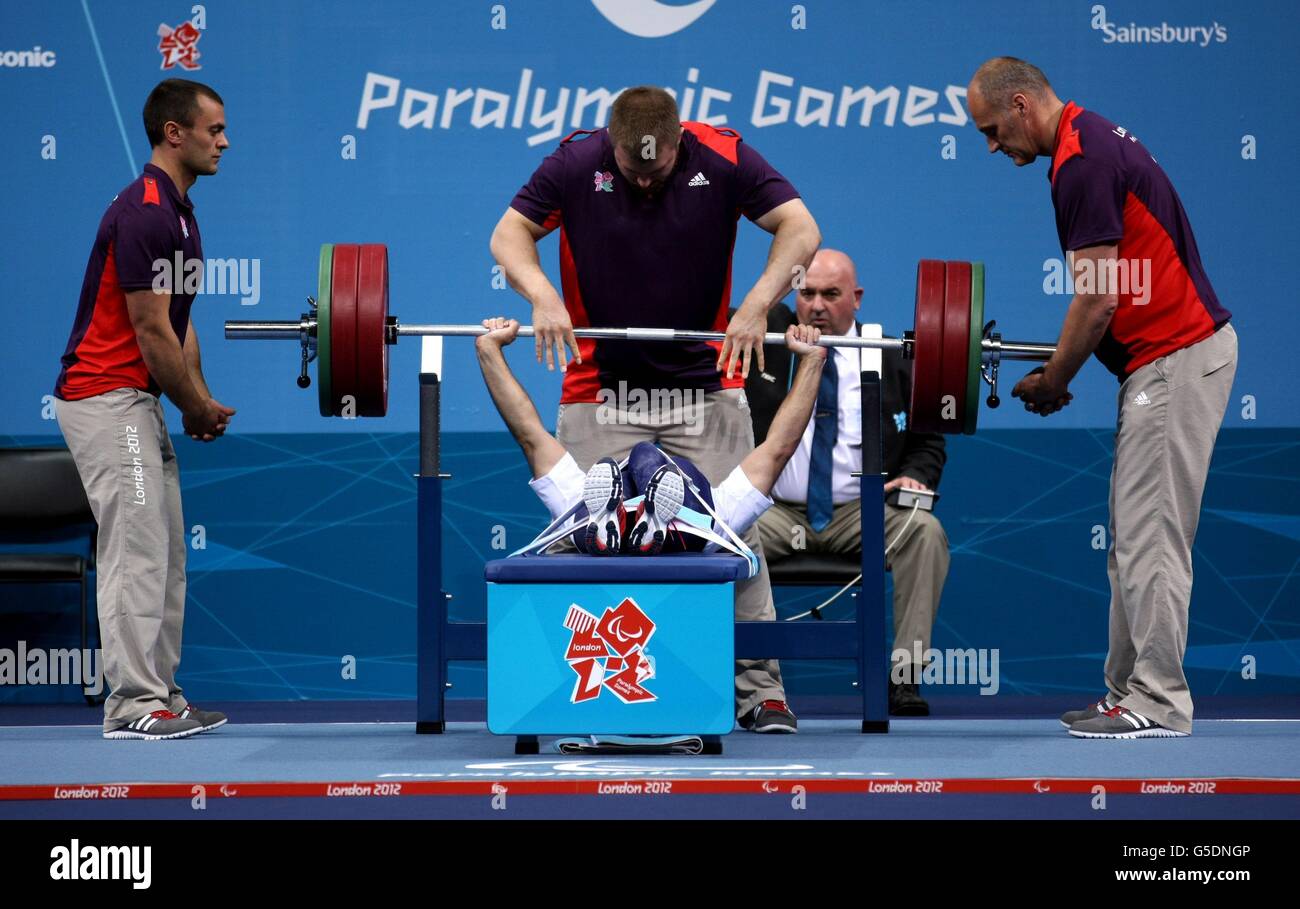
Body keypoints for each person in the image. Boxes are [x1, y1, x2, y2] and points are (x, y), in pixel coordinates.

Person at [489, 84, 821, 733]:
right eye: (631, 170)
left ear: (678, 143)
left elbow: (801, 227)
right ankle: (567, 688)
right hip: (601, 387)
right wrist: (541, 295)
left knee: (736, 534)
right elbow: (508, 235)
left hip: (706, 381)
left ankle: (760, 690)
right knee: (579, 534)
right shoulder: (574, 161)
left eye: (657, 169)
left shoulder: (723, 155)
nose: (644, 183)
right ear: (613, 143)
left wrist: (755, 304)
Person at [967, 57, 1238, 738]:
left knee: (1151, 538)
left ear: (1022, 104)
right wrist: (1063, 367)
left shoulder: (1081, 162)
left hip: (1175, 357)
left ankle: (1158, 700)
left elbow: (1096, 298)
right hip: (1160, 361)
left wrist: (1055, 379)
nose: (994, 147)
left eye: (994, 130)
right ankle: (1128, 693)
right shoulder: (1087, 141)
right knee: (1132, 539)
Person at [474, 317, 829, 732]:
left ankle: (622, 526)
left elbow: (529, 433)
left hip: (603, 520)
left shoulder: (577, 506)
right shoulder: (719, 519)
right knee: (711, 510)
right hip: (693, 525)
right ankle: (663, 523)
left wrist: (489, 351)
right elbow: (779, 447)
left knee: (586, 494)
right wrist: (812, 361)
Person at [54, 79, 235, 740]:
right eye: (213, 129)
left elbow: (180, 326)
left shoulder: (181, 214)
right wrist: (192, 403)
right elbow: (149, 330)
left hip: (138, 400)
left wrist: (199, 399)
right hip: (105, 397)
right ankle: (132, 703)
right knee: (136, 545)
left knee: (163, 550)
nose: (225, 141)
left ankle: (161, 693)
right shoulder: (147, 210)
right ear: (173, 133)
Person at [755, 250, 949, 716]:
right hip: (774, 513)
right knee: (718, 542)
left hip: (861, 514)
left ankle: (903, 678)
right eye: (807, 293)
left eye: (831, 294)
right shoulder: (766, 345)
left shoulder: (894, 358)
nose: (817, 305)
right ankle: (753, 688)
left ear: (856, 298)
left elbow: (929, 442)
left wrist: (915, 477)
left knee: (925, 535)